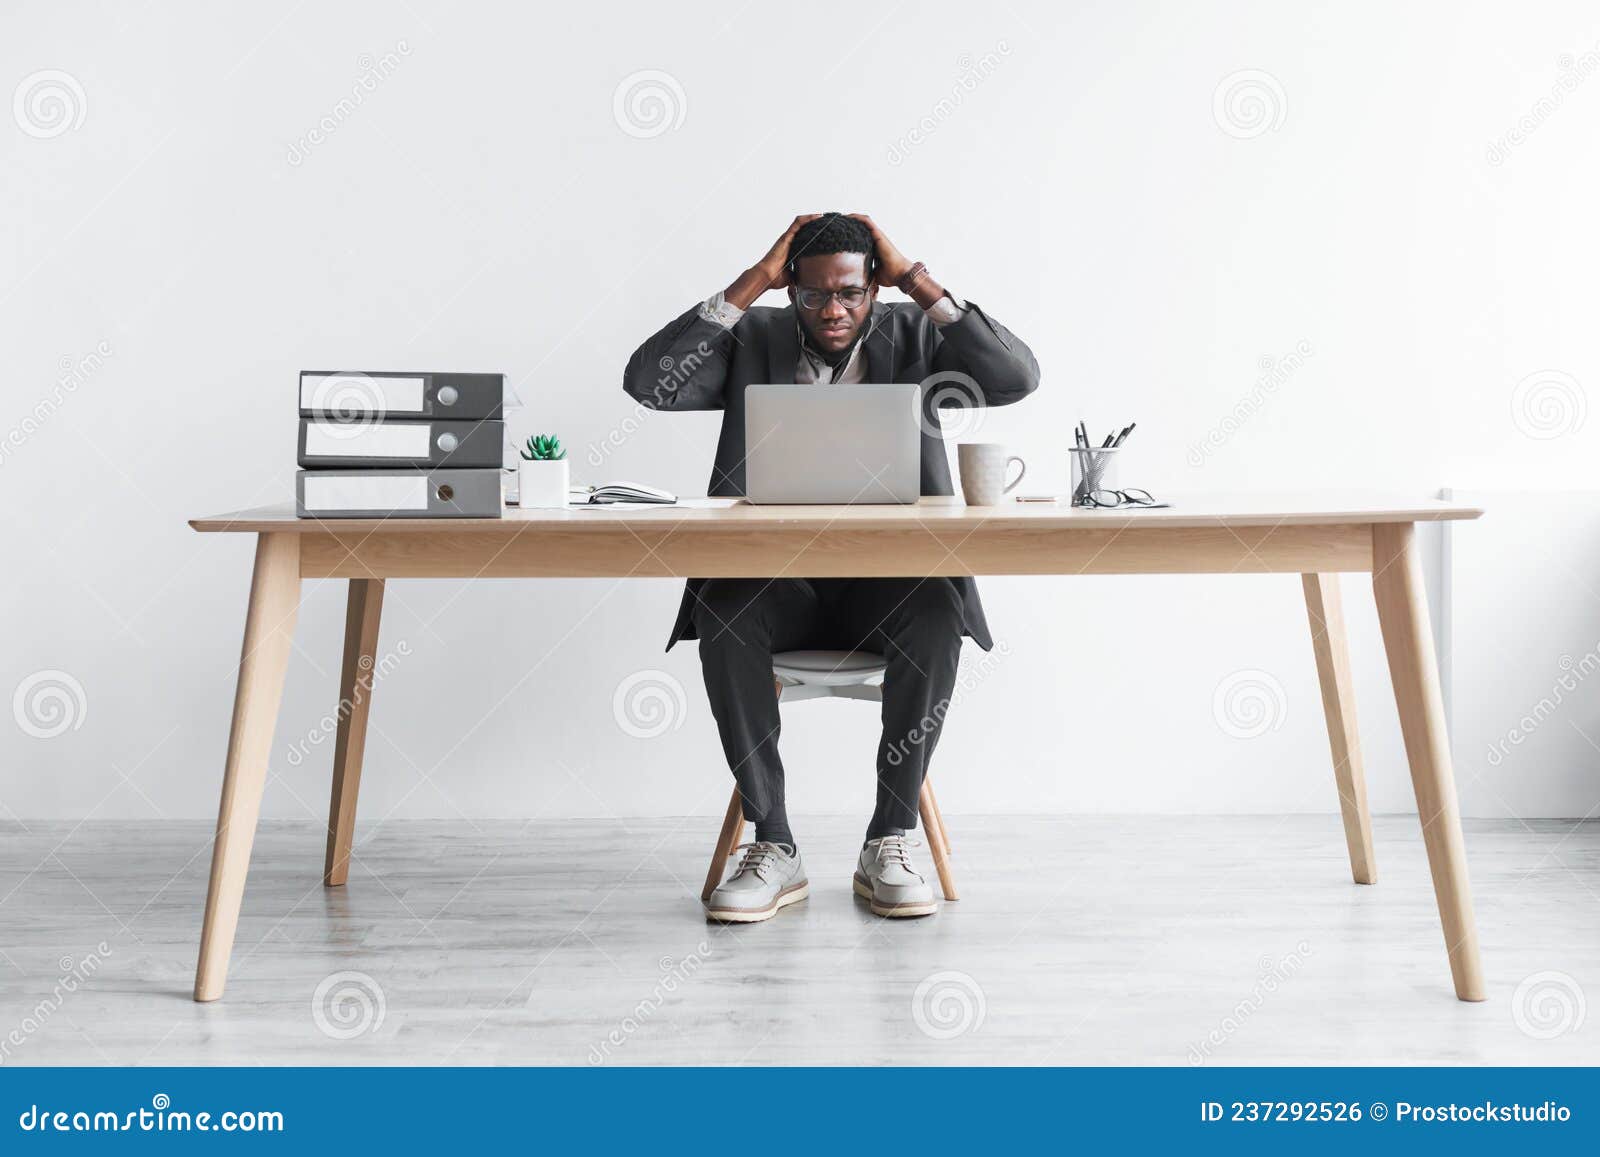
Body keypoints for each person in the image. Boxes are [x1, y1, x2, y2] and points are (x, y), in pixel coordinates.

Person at [622, 212, 1040, 922]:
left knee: (940, 606)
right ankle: (773, 844)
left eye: (850, 291)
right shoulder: (753, 337)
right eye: (814, 295)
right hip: (777, 584)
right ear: (792, 291)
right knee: (723, 606)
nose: (834, 309)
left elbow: (1014, 376)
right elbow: (649, 384)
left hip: (889, 587)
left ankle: (890, 836)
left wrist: (914, 275)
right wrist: (752, 282)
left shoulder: (913, 333)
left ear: (873, 286)